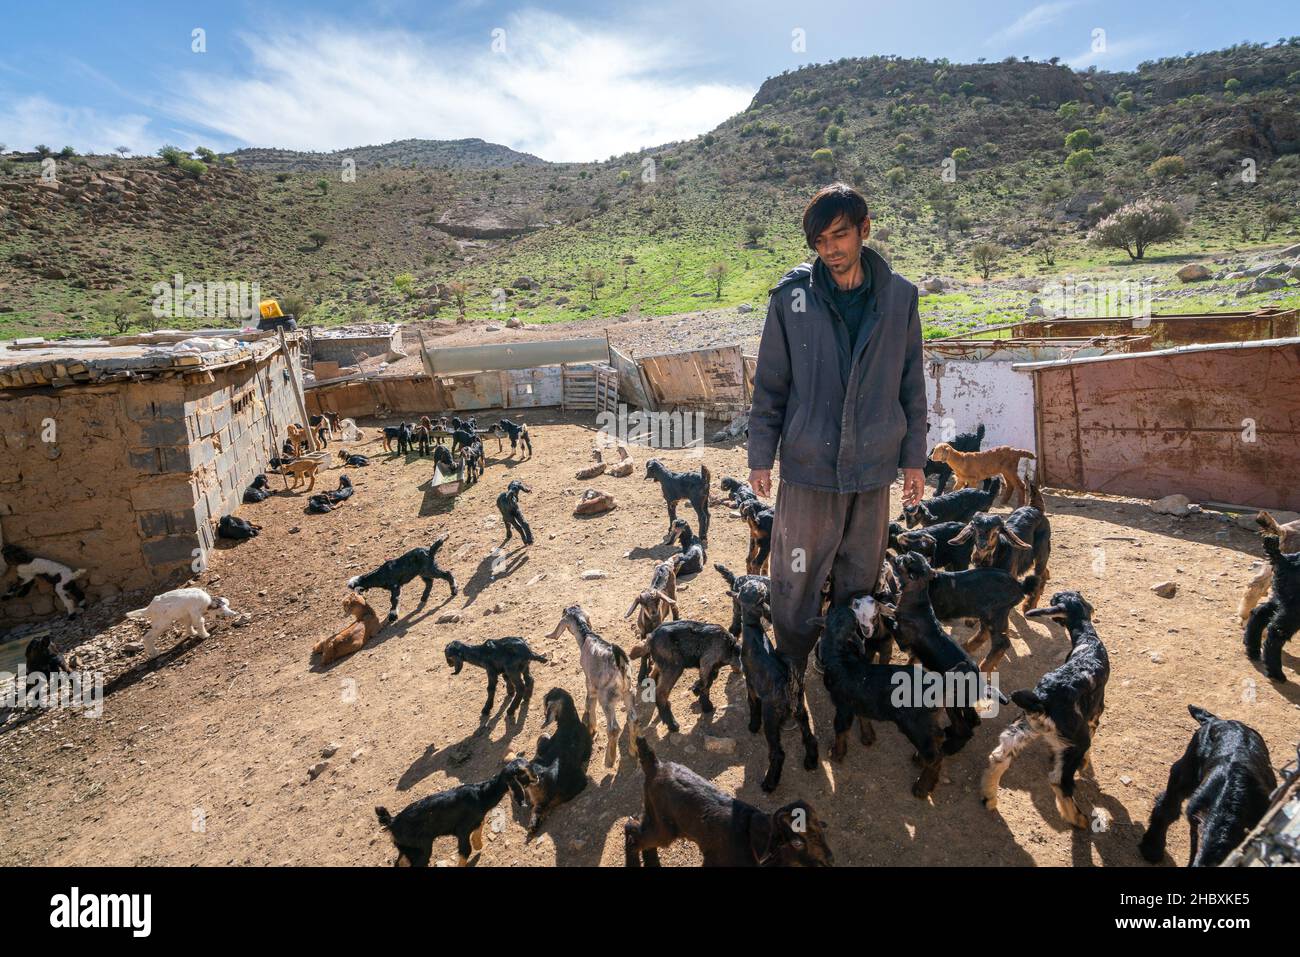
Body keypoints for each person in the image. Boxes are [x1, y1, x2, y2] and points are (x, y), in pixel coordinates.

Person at [747, 182, 928, 672]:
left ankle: (846, 660)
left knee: (860, 572)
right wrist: (760, 457)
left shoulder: (899, 298)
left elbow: (912, 382)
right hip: (810, 465)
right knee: (796, 574)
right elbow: (770, 385)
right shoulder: (791, 299)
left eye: (839, 236)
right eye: (820, 241)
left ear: (864, 231)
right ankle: (791, 660)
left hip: (873, 466)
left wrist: (914, 458)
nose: (830, 249)